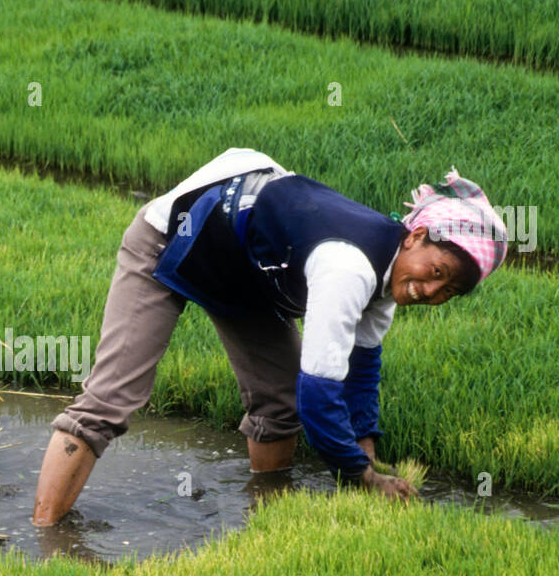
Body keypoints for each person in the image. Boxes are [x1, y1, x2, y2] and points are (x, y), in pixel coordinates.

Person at [33, 149, 508, 526]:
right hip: (172, 239)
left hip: (245, 271)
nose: (430, 291)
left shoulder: (388, 278)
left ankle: (268, 524)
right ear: (416, 235)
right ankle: (44, 538)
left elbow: (360, 371)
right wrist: (359, 475)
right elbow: (320, 390)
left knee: (279, 402)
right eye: (437, 271)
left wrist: (369, 461)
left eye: (449, 291)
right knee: (113, 398)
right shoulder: (349, 267)